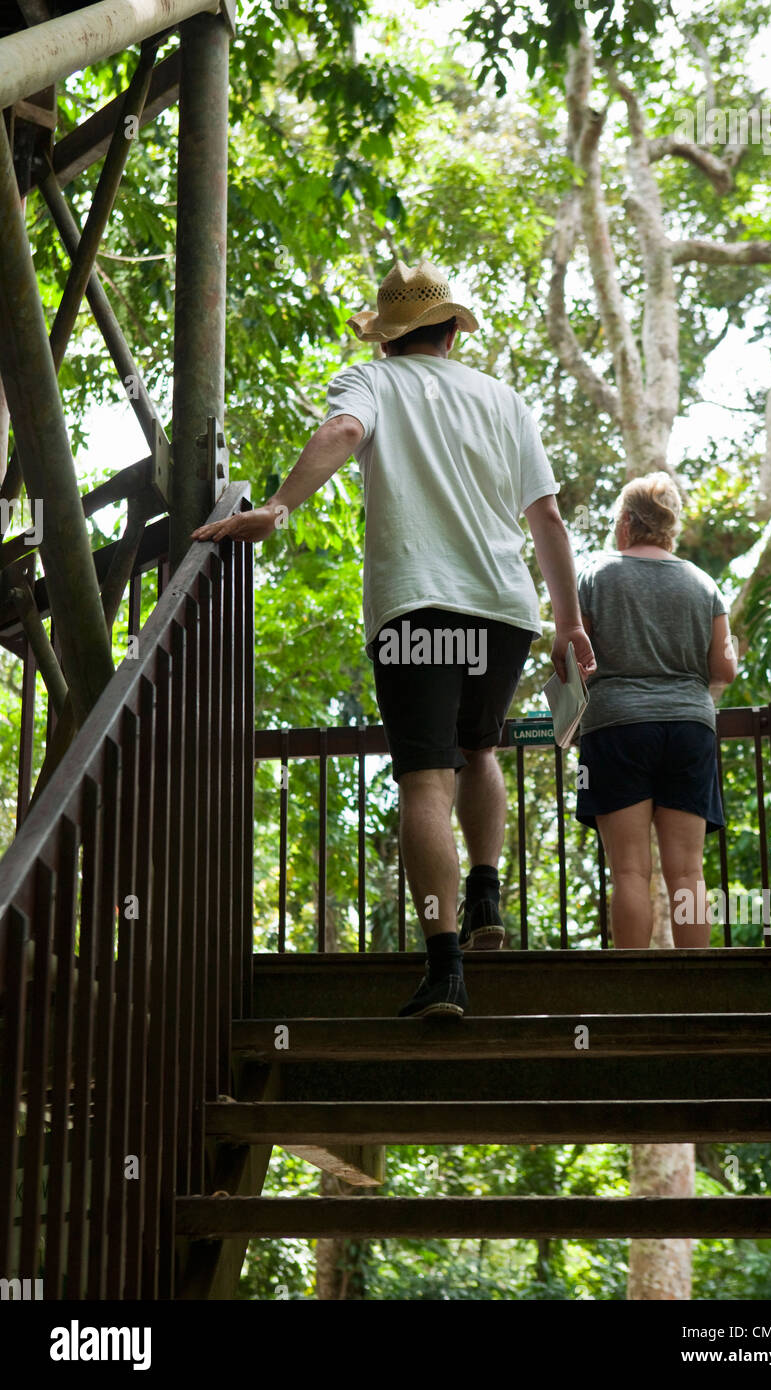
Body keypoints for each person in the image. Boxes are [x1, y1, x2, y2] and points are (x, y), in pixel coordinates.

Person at [193, 259, 595, 1016]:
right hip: (505, 610)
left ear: (388, 338)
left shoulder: (371, 383)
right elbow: (546, 518)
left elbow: (344, 431)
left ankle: (445, 968)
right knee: (479, 749)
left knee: (423, 776)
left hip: (418, 607)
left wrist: (277, 508)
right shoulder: (504, 400)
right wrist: (569, 622)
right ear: (451, 331)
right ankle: (485, 893)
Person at [574, 472, 737, 949]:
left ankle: (632, 993)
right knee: (688, 870)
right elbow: (722, 669)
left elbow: (574, 659)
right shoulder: (703, 583)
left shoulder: (596, 575)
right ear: (669, 527)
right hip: (688, 726)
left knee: (628, 870)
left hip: (617, 727)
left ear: (626, 523)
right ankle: (695, 993)